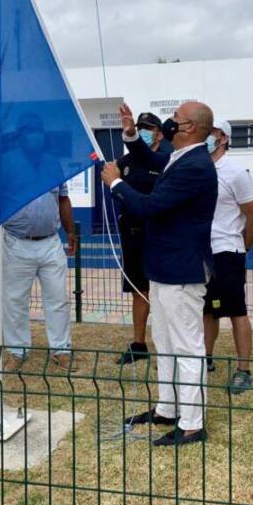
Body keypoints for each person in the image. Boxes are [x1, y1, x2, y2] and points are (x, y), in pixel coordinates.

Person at [101, 101, 218, 447]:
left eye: (176, 118)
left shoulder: (195, 166)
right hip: (165, 268)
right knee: (165, 341)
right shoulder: (180, 158)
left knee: (187, 347)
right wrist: (132, 136)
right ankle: (168, 408)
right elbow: (153, 163)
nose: (169, 123)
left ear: (190, 128)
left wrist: (115, 183)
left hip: (181, 270)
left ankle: (192, 423)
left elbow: (149, 206)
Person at [1, 120, 77, 372]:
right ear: (21, 137)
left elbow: (63, 199)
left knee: (58, 299)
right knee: (15, 301)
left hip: (50, 243)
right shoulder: (7, 164)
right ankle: (17, 351)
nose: (36, 137)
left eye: (39, 133)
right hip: (17, 243)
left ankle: (61, 350)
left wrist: (70, 232)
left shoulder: (52, 163)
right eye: (31, 133)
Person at [201, 119, 253, 394]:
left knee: (236, 310)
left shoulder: (236, 172)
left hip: (228, 250)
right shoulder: (198, 168)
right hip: (202, 251)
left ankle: (243, 370)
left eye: (212, 132)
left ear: (224, 138)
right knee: (207, 310)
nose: (206, 137)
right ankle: (206, 358)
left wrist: (244, 246)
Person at [113, 112, 172, 365]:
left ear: (159, 133)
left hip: (160, 234)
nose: (145, 132)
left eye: (149, 128)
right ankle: (139, 344)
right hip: (132, 234)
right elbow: (118, 194)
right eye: (141, 128)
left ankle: (168, 345)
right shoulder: (125, 162)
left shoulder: (168, 160)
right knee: (139, 289)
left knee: (164, 291)